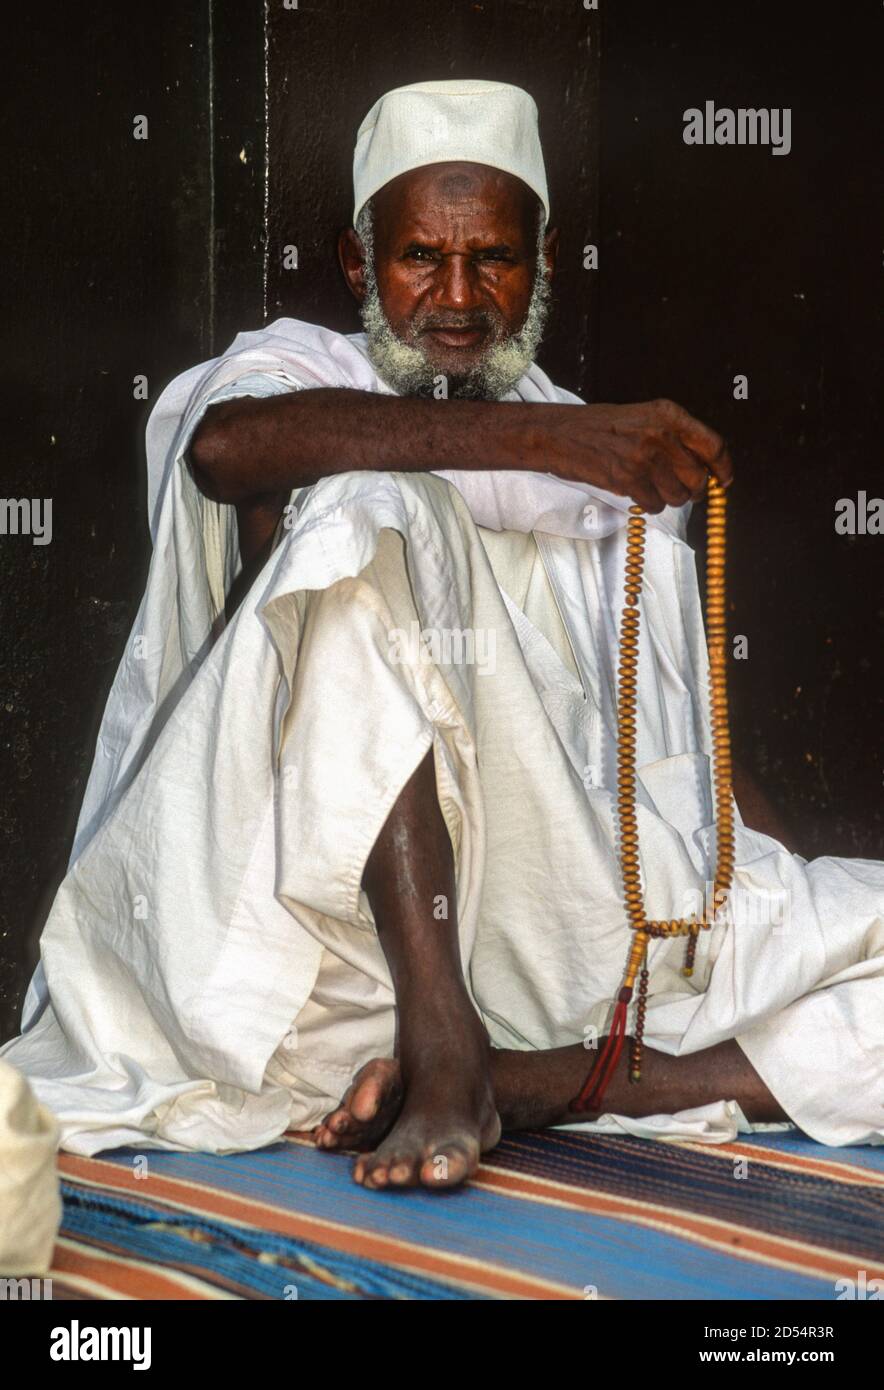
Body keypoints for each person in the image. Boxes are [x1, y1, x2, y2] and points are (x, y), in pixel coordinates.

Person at [2, 81, 882, 1193]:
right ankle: (443, 1034)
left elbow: (678, 752)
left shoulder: (610, 488)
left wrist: (781, 904)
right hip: (313, 945)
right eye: (421, 256)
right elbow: (227, 452)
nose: (457, 297)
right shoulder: (305, 376)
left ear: (544, 262)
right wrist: (552, 443)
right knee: (370, 504)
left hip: (545, 931)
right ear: (360, 264)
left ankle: (539, 1082)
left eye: (495, 261)